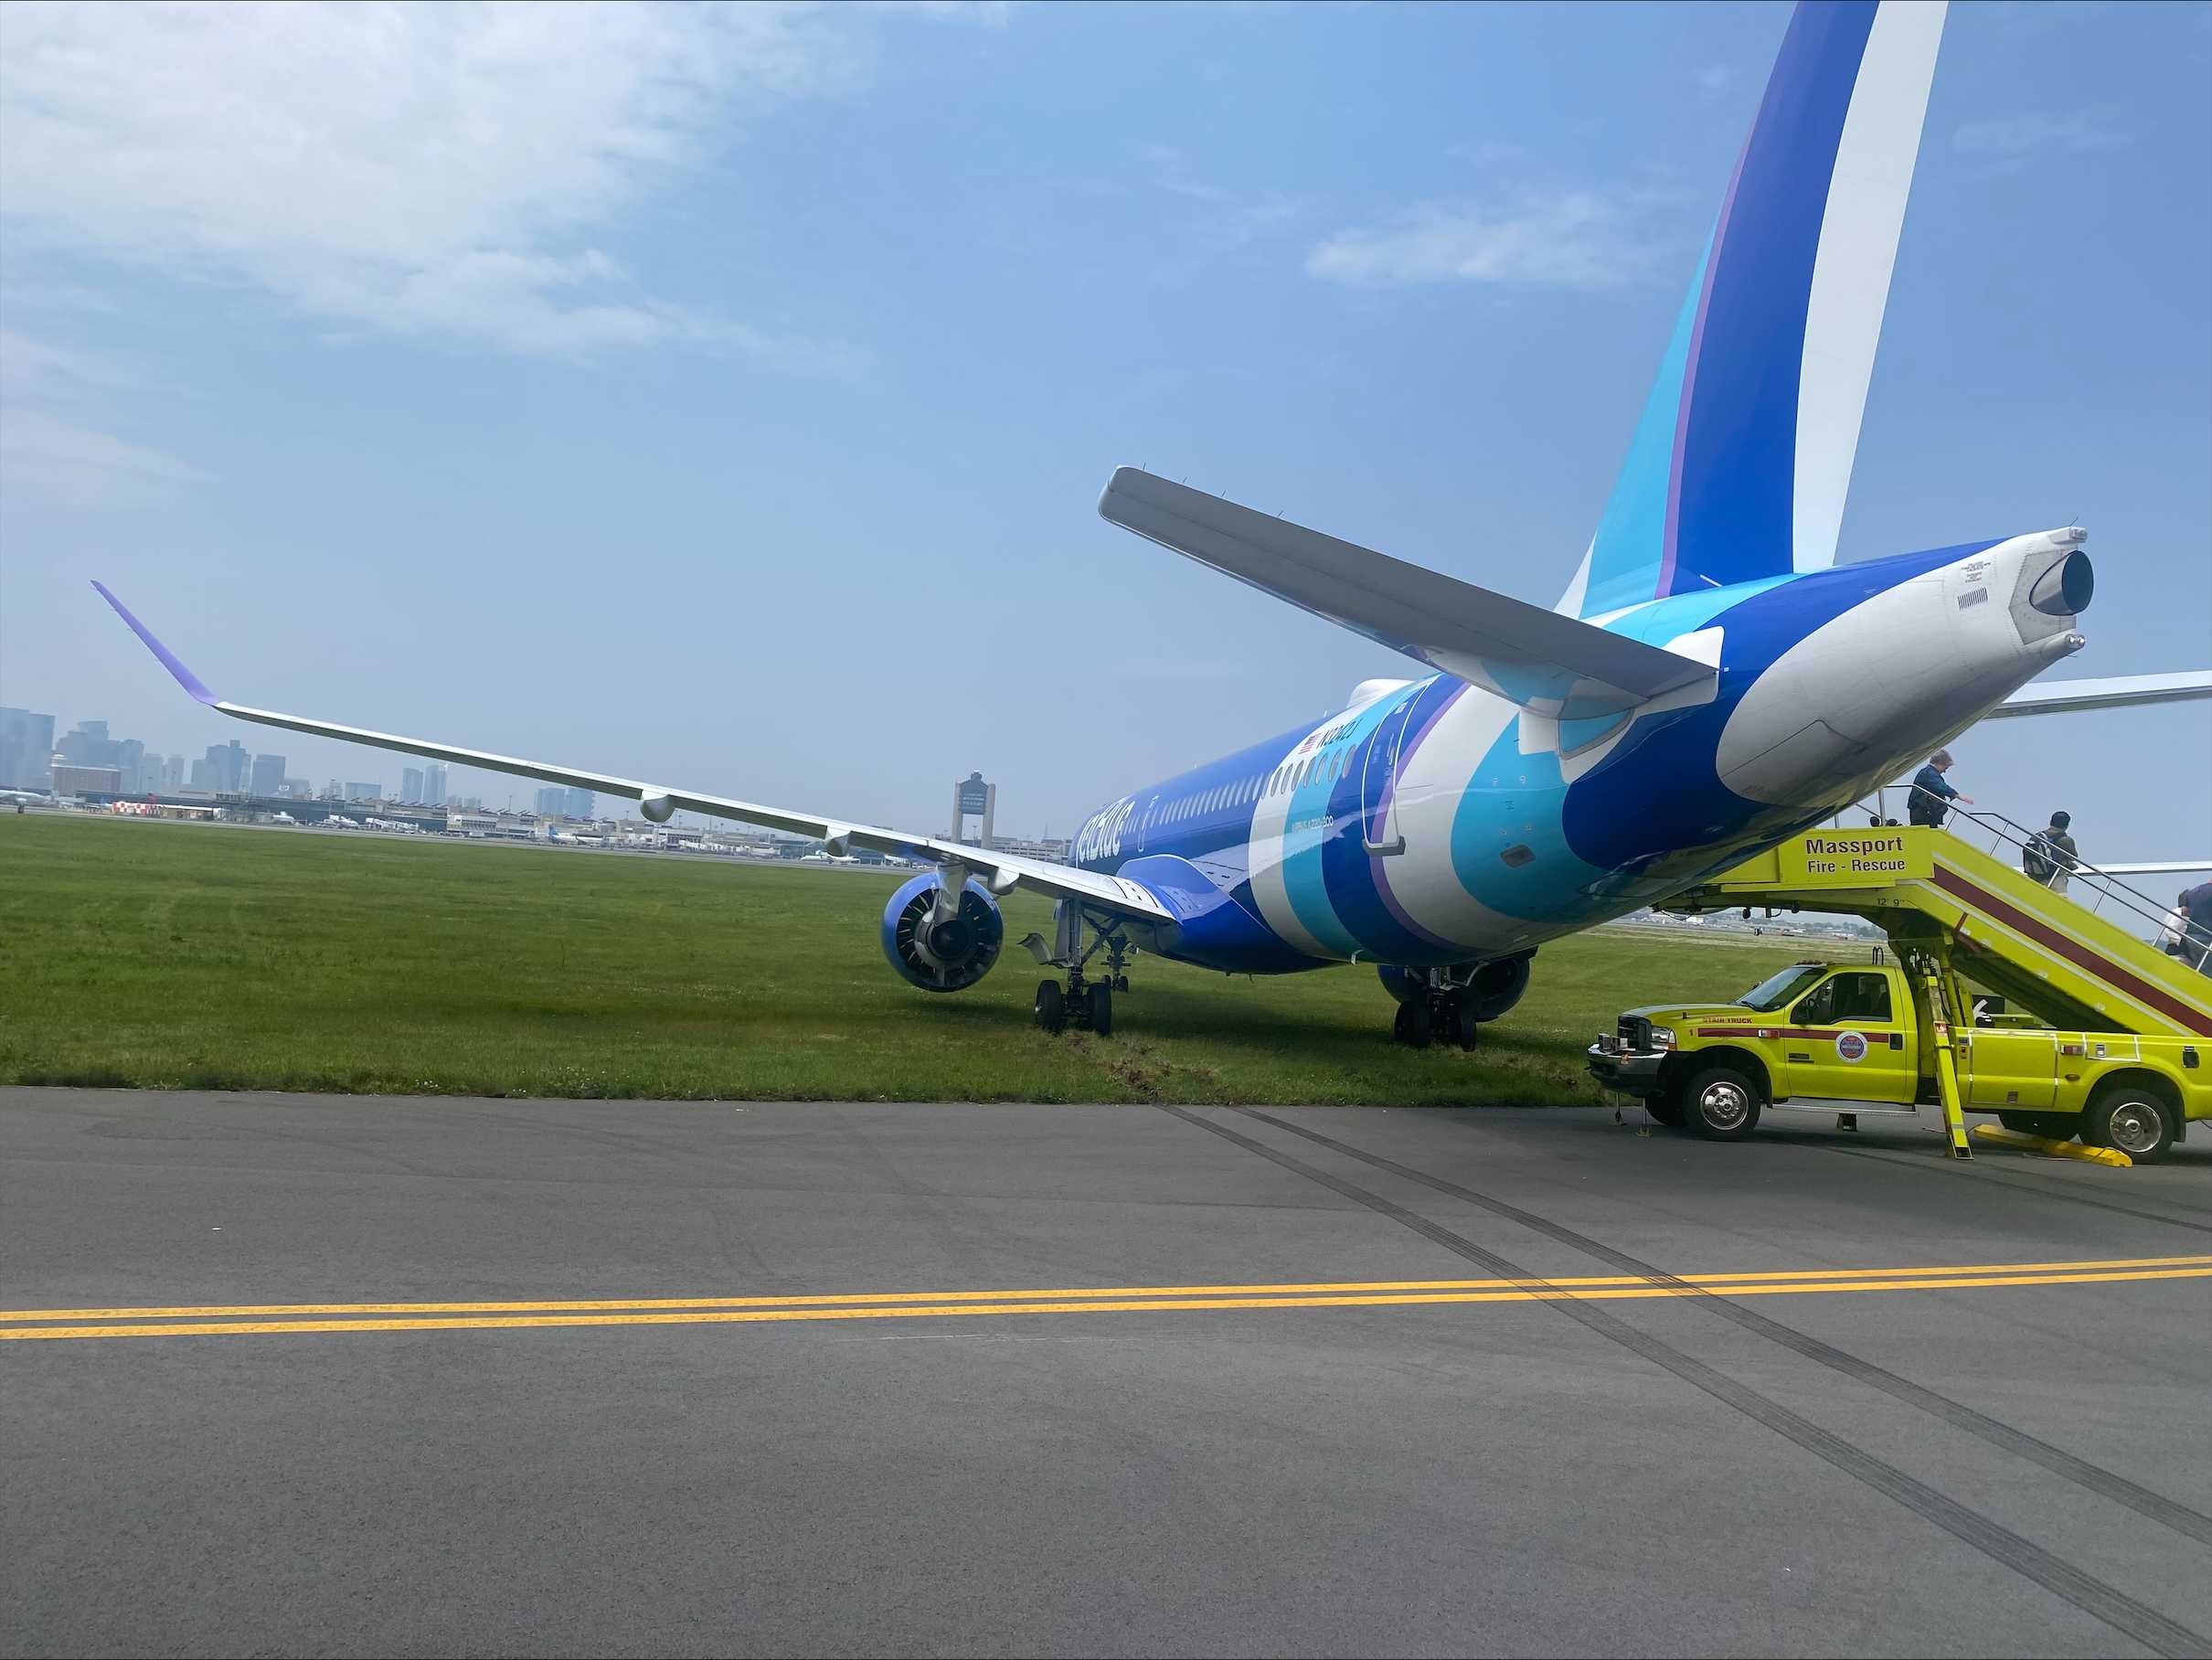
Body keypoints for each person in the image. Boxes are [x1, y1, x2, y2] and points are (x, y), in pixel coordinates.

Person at [1907, 750, 1971, 828]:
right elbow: (1940, 786)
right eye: (1945, 767)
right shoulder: (1928, 773)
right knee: (1923, 830)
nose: (1945, 771)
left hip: (1924, 811)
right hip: (1922, 811)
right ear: (1939, 763)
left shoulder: (1928, 773)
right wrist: (1956, 795)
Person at [2023, 811, 2079, 895]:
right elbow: (2074, 856)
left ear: (2051, 822)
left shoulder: (2037, 836)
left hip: (2034, 878)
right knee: (2060, 901)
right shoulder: (2065, 840)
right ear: (2067, 825)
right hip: (2054, 879)